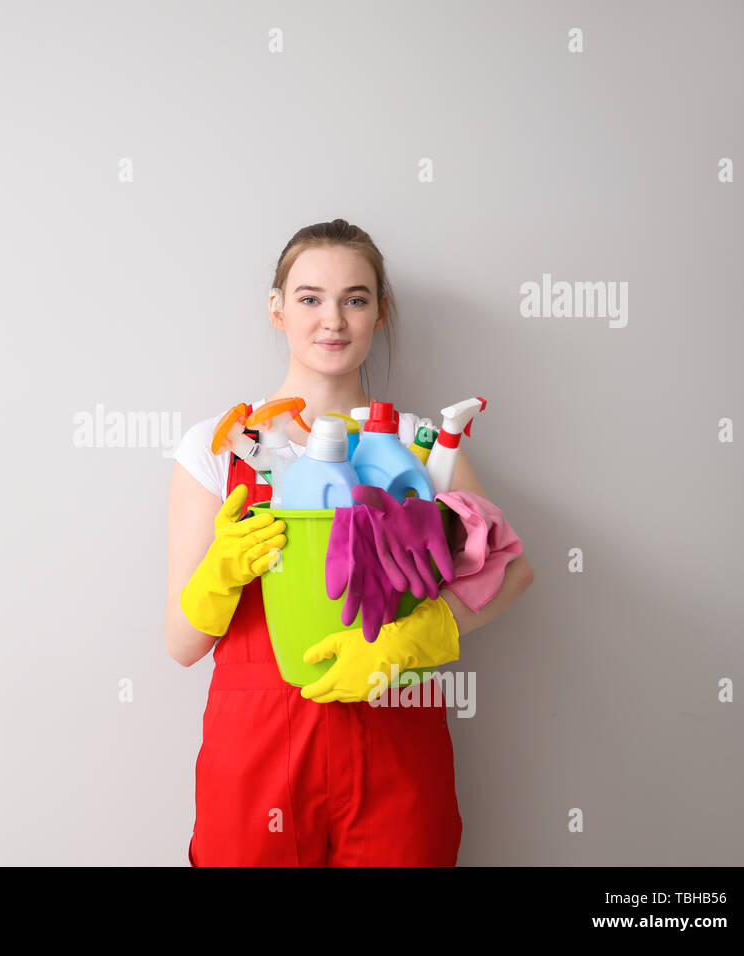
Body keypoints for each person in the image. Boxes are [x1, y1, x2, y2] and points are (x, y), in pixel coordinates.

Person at [165, 218, 534, 866]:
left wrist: (414, 638)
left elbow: (508, 572)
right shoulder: (218, 448)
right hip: (255, 752)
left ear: (379, 313)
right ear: (277, 309)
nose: (331, 319)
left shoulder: (421, 445)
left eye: (355, 299)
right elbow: (182, 644)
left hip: (393, 728)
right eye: (309, 297)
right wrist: (218, 575)